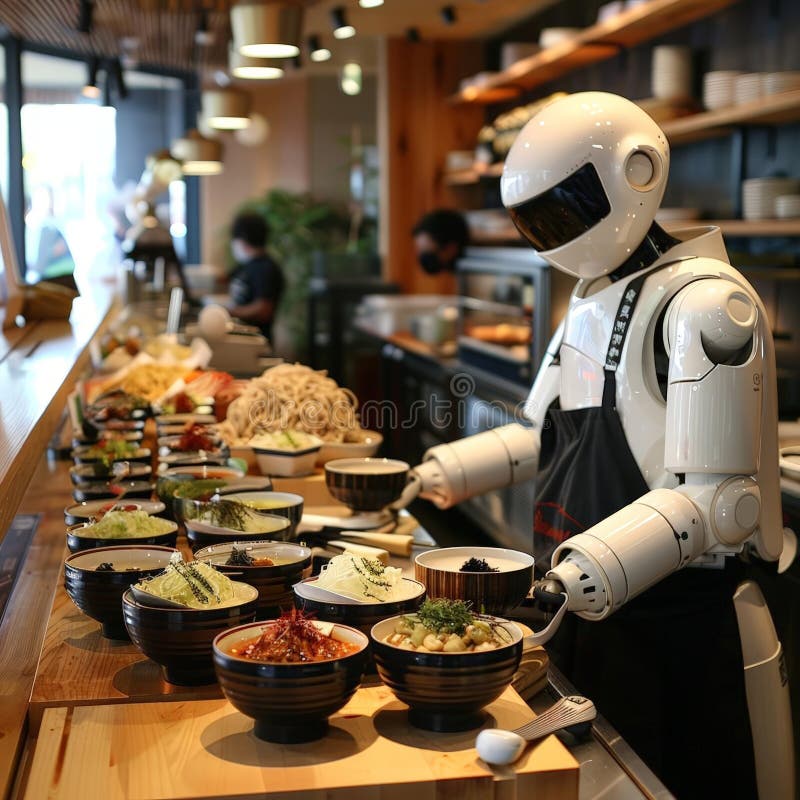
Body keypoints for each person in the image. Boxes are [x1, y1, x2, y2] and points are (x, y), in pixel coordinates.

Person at [396, 92, 791, 800]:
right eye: (536, 222)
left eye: (562, 212)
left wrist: (577, 571)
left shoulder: (706, 302)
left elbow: (720, 502)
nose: (551, 236)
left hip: (686, 631)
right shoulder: (588, 299)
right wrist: (438, 473)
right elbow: (541, 434)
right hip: (591, 614)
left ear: (636, 172)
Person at [226, 211, 285, 342]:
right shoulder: (246, 265)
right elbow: (223, 278)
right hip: (239, 338)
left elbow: (264, 309)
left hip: (256, 341)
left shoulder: (265, 268)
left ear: (243, 239)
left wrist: (228, 312)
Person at [412, 209, 469, 274]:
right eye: (420, 252)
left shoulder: (470, 270)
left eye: (429, 254)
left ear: (451, 248)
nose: (423, 259)